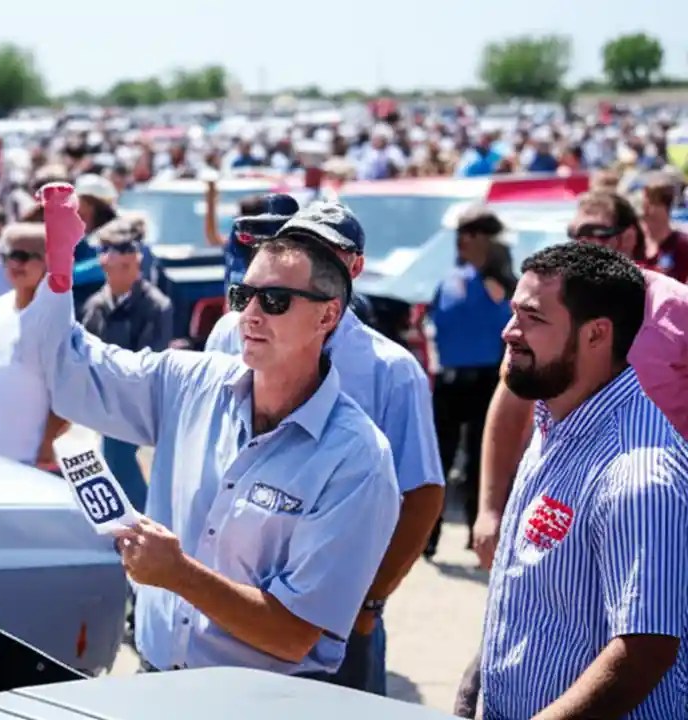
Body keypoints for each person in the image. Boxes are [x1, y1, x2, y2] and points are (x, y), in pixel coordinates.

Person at [29, 184, 400, 678]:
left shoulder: (355, 458)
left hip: (262, 705)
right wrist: (58, 273)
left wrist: (179, 575)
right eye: (242, 295)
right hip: (158, 676)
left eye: (274, 299)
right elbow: (72, 372)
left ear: (328, 315)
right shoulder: (191, 381)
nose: (250, 314)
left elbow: (291, 636)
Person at [458, 190, 688, 715]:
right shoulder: (551, 424)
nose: (509, 332)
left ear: (596, 336)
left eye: (533, 318)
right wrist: (480, 687)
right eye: (515, 311)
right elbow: (535, 599)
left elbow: (644, 650)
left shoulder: (639, 475)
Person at [204, 202, 444, 694]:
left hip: (333, 608)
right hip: (231, 604)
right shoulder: (233, 334)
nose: (311, 257)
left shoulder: (389, 368)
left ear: (353, 267)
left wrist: (369, 603)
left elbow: (423, 495)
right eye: (300, 244)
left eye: (327, 250)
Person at [425, 206, 513, 556]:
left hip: (485, 380)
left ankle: (479, 537)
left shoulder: (503, 284)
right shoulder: (448, 279)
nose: (463, 240)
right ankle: (428, 536)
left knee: (482, 458)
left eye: (472, 233)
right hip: (449, 379)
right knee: (437, 459)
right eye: (462, 233)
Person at [80, 215, 173, 513]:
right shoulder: (96, 305)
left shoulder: (156, 306)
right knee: (109, 463)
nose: (120, 271)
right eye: (112, 264)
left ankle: (142, 519)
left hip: (135, 403)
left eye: (127, 264)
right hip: (104, 400)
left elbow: (148, 360)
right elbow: (86, 350)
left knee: (123, 465)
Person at [0, 223, 69, 467]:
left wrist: (46, 447)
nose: (15, 264)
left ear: (47, 262)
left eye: (23, 256)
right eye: (8, 256)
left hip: (29, 460)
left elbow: (66, 394)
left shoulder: (56, 320)